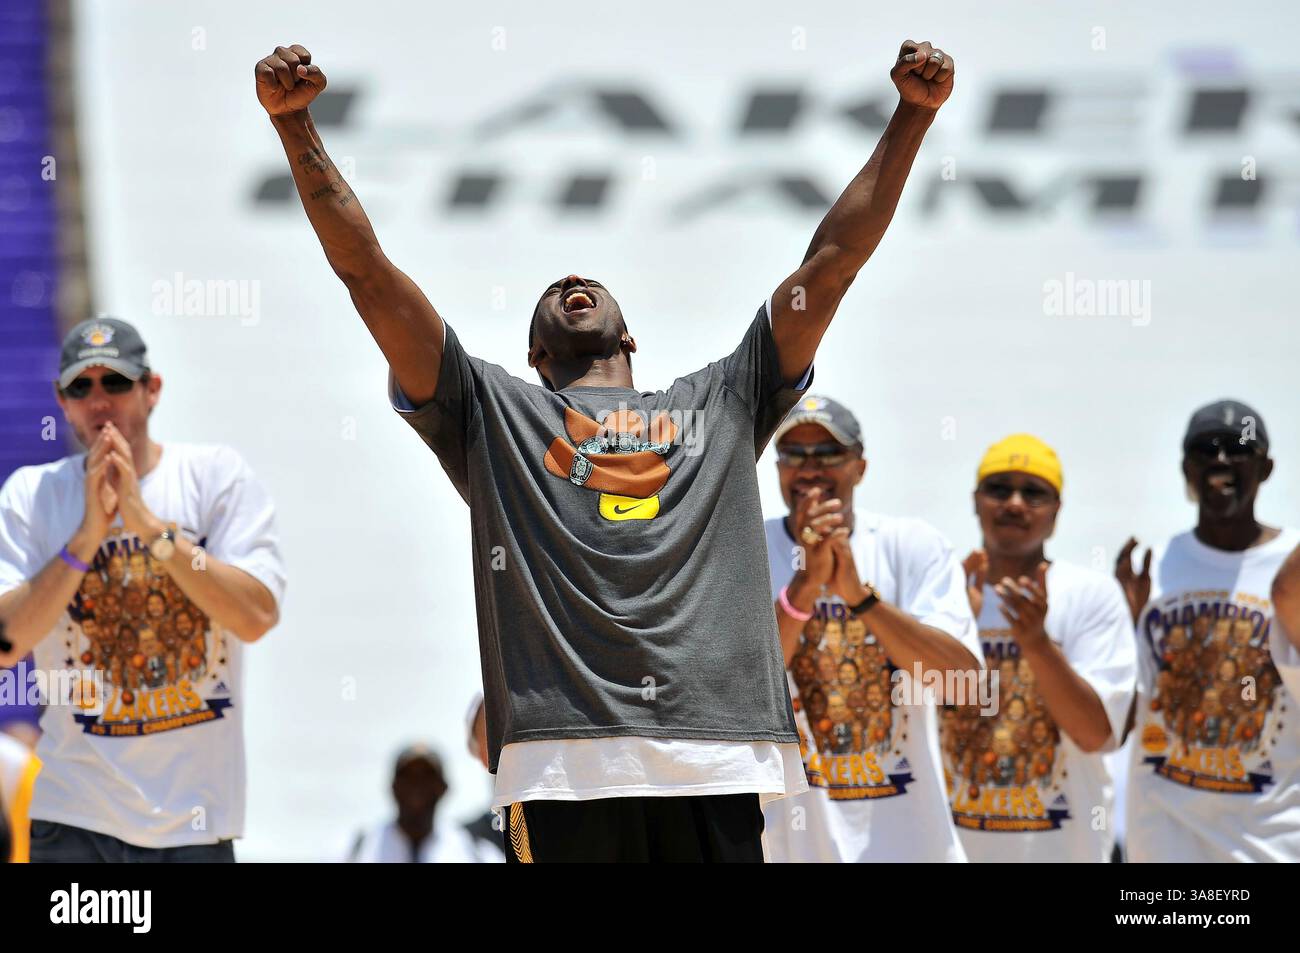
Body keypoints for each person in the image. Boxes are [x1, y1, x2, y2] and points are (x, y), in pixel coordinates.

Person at [257, 38, 954, 862]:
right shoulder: (494, 412)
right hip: (562, 765)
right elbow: (367, 274)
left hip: (716, 758)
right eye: (548, 298)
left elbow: (832, 265)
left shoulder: (723, 398)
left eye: (582, 286)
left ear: (627, 333)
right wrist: (296, 126)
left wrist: (913, 115)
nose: (567, 284)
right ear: (536, 358)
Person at [0, 317, 286, 861]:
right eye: (81, 386)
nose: (99, 400)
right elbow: (6, 643)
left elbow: (255, 615)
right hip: (74, 818)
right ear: (62, 401)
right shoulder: (31, 495)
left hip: (195, 823)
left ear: (151, 390)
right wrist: (85, 538)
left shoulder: (215, 476)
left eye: (116, 383)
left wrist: (145, 524)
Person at [762, 395, 981, 862]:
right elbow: (737, 692)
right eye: (794, 455)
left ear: (859, 467)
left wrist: (859, 597)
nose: (809, 468)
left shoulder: (913, 545)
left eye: (827, 455)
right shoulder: (747, 548)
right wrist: (805, 588)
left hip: (909, 847)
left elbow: (963, 687)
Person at [1117, 399, 1300, 861]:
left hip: (1270, 840)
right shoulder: (1152, 567)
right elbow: (1120, 713)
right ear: (1186, 469)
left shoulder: (1292, 571)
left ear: (1266, 467)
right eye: (1206, 448)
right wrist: (1125, 619)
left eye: (1237, 448)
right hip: (1164, 839)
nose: (1220, 459)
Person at [945, 434, 1135, 862]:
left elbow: (1097, 734)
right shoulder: (944, 591)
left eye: (1033, 492)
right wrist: (959, 627)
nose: (1014, 503)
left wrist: (1036, 643)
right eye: (999, 489)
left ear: (1056, 511)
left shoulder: (1091, 594)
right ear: (976, 501)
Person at [347, 744, 503, 863]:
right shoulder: (354, 851)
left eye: (427, 778)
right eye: (408, 778)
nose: (417, 787)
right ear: (393, 787)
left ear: (443, 788)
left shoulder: (476, 853)